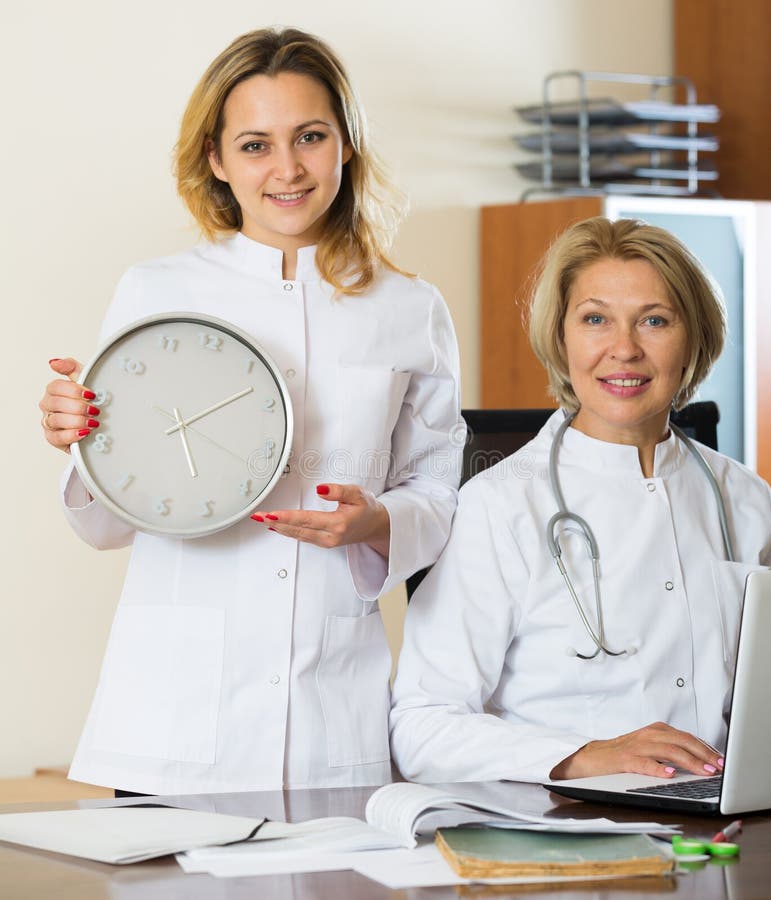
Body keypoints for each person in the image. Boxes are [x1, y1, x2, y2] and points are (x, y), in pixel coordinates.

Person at [38, 27, 462, 795]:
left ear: (346, 145)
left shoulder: (410, 309)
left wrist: (375, 522)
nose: (287, 169)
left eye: (310, 137)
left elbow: (439, 491)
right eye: (256, 144)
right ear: (216, 159)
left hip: (333, 704)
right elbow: (107, 522)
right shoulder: (158, 292)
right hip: (175, 712)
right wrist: (82, 440)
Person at [390, 216, 771, 785]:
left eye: (654, 320)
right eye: (595, 319)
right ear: (562, 337)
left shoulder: (745, 501)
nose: (623, 349)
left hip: (717, 828)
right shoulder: (499, 507)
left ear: (693, 338)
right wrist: (584, 755)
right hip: (563, 823)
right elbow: (422, 728)